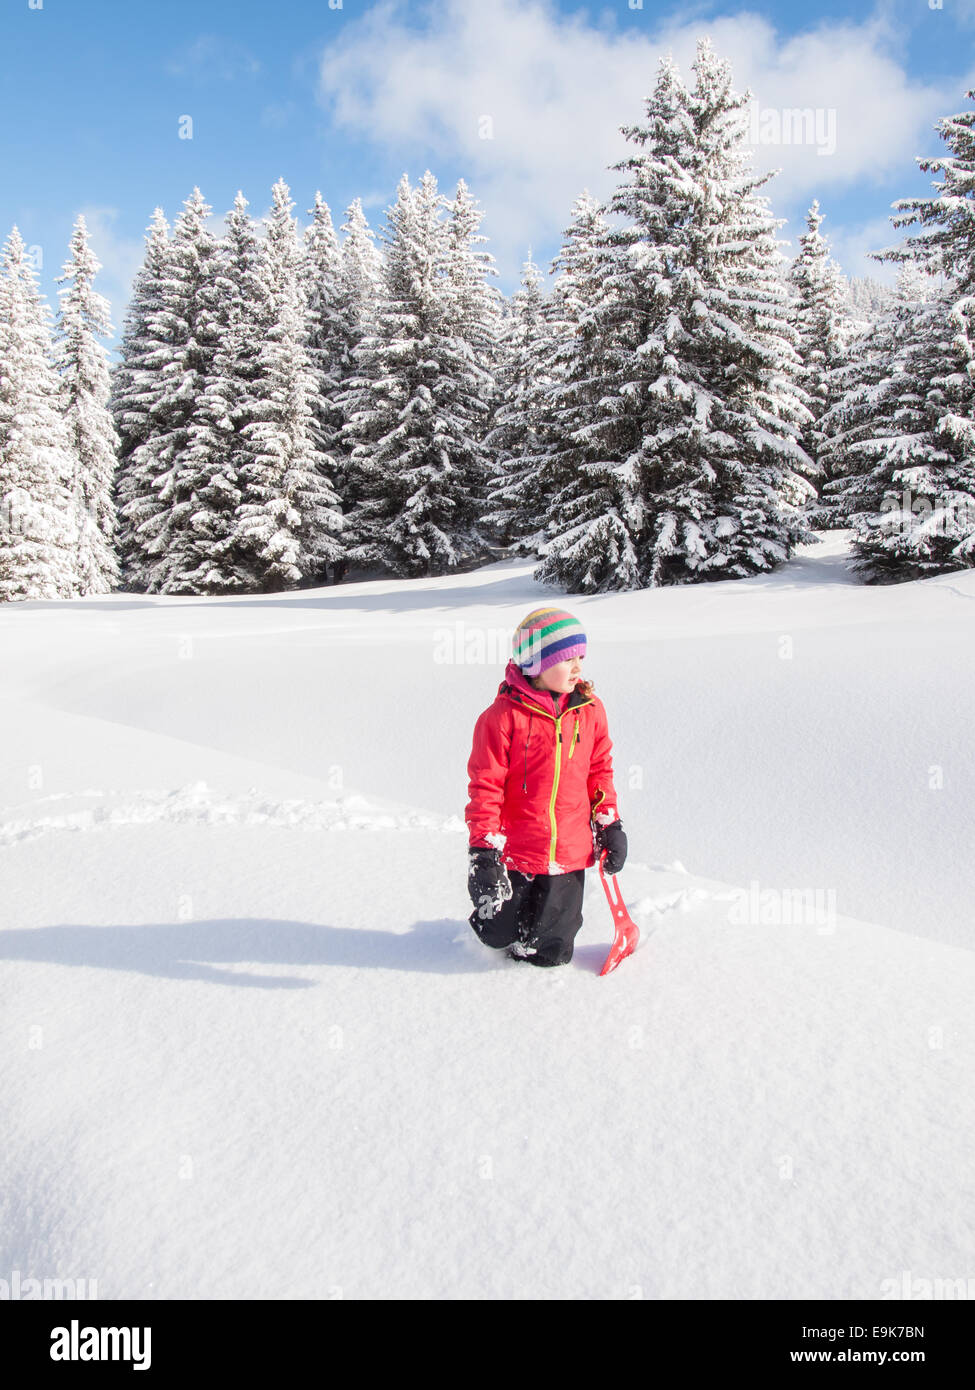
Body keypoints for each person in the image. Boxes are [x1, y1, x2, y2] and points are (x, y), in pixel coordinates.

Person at [464, 606, 627, 967]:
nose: (578, 667)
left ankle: (539, 1001)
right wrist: (484, 853)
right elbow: (485, 789)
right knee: (498, 933)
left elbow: (600, 770)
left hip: (568, 853)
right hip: (517, 850)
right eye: (568, 658)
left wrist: (608, 823)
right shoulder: (502, 717)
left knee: (551, 951)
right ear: (537, 664)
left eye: (580, 657)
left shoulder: (590, 710)